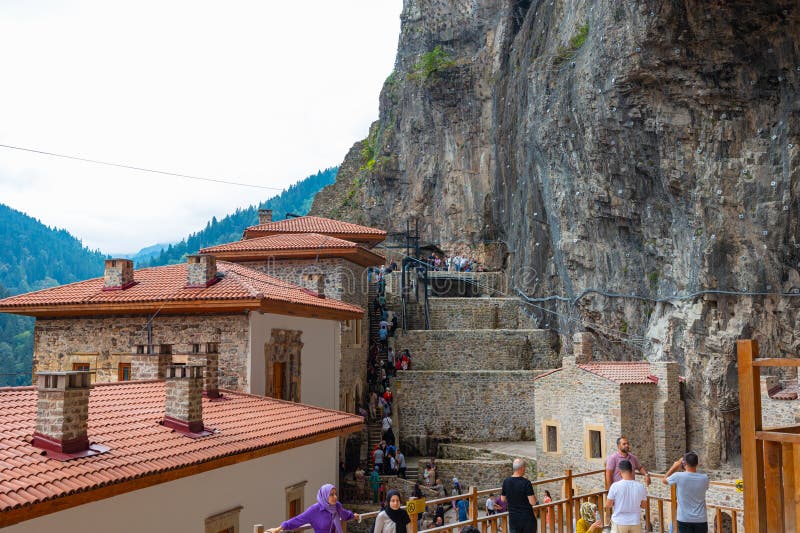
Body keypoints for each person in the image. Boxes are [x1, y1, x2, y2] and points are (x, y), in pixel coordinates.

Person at [267, 484, 360, 533]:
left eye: (335, 494)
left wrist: (353, 515)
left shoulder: (337, 506)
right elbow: (297, 520)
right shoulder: (315, 510)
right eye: (331, 494)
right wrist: (278, 529)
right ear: (324, 495)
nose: (335, 497)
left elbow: (344, 514)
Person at [663, 452, 710, 533]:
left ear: (684, 463)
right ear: (697, 463)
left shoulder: (678, 476)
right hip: (701, 519)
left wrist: (674, 467)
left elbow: (664, 480)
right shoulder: (705, 478)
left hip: (684, 518)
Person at [605, 460, 647, 533]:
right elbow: (643, 505)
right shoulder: (641, 486)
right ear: (632, 471)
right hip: (635, 521)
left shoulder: (615, 486)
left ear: (619, 472)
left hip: (619, 521)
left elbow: (608, 505)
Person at [501, 458, 538, 533]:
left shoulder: (506, 481)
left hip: (513, 518)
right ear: (521, 468)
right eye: (525, 468)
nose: (525, 469)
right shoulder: (526, 483)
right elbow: (533, 502)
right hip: (527, 518)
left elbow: (503, 499)